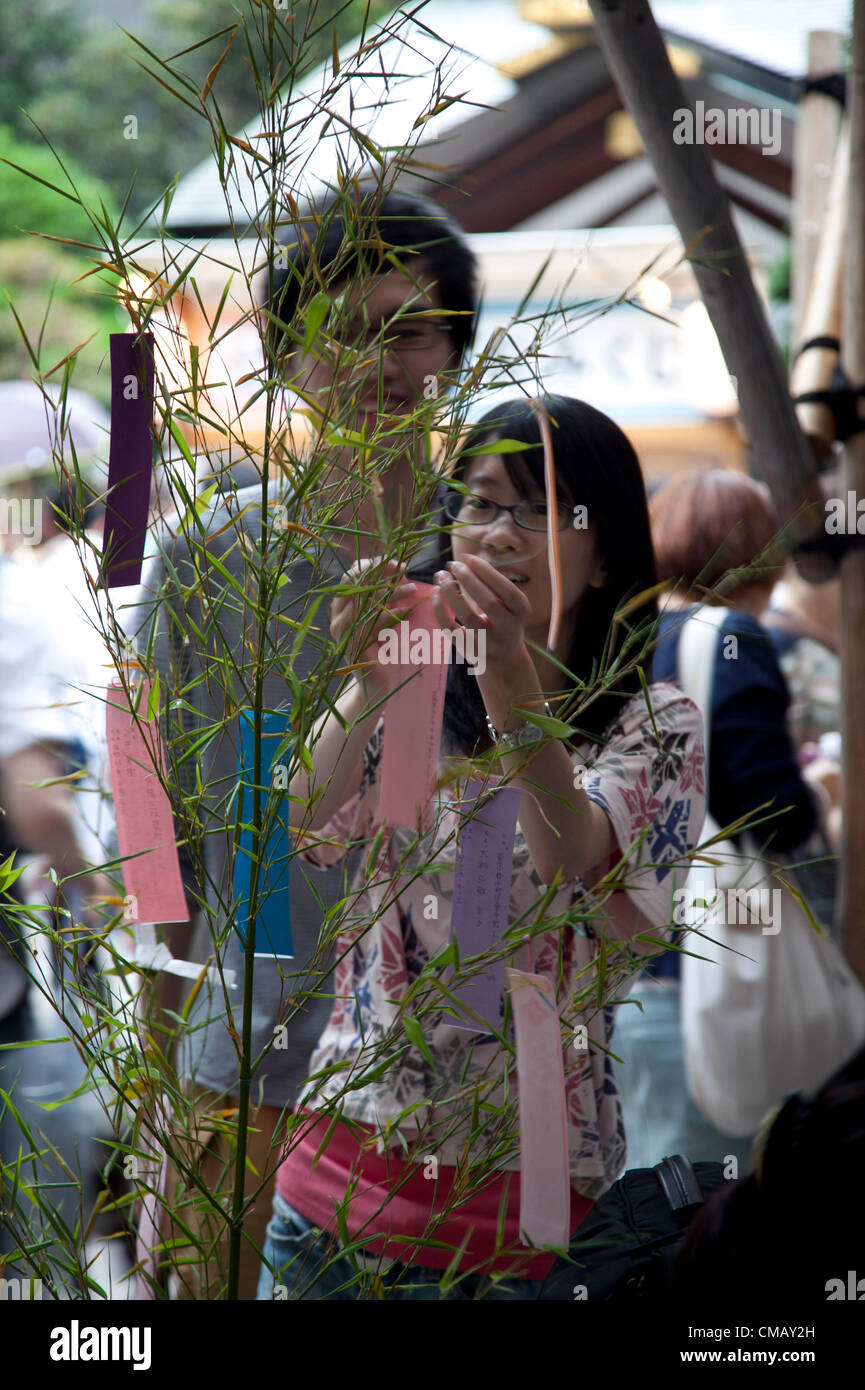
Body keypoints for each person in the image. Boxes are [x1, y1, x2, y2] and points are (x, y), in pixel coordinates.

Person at [257, 394, 706, 1300]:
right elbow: (298, 830)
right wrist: (364, 684)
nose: (498, 532)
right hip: (327, 1203)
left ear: (603, 551)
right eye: (478, 503)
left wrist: (506, 677)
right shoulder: (418, 692)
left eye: (536, 511)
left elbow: (569, 859)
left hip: (513, 1230)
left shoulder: (655, 726)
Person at [133, 185, 479, 1298]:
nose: (384, 360)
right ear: (287, 354)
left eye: (413, 329)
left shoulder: (497, 557)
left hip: (448, 1077)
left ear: (456, 354)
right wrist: (154, 1079)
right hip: (249, 1054)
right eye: (349, 331)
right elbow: (155, 838)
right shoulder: (208, 556)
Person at [613, 468, 833, 1172]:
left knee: (642, 1220)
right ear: (753, 553)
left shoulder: (623, 639)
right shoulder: (728, 636)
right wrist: (823, 790)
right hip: (701, 990)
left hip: (623, 982)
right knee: (699, 1222)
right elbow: (769, 817)